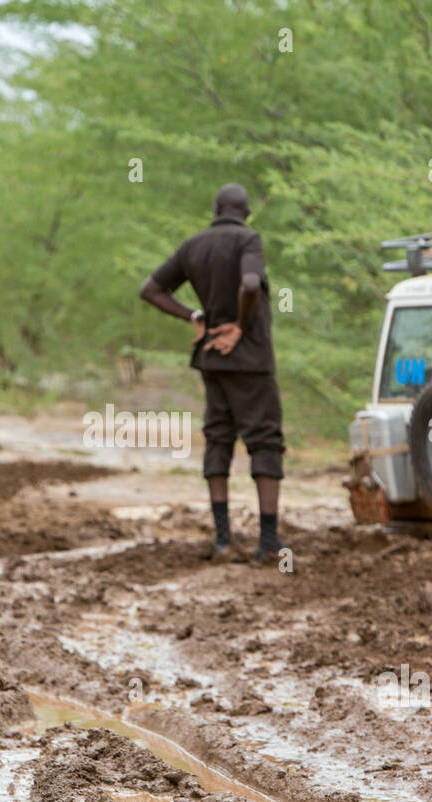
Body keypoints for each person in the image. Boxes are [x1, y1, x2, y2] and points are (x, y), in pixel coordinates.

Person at [139, 183, 286, 560]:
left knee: (219, 437)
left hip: (212, 361)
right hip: (250, 360)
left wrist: (196, 316)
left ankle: (223, 540)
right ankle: (267, 542)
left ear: (216, 209)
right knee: (265, 441)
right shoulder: (248, 239)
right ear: (245, 212)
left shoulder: (194, 246)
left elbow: (151, 289)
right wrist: (239, 324)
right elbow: (251, 283)